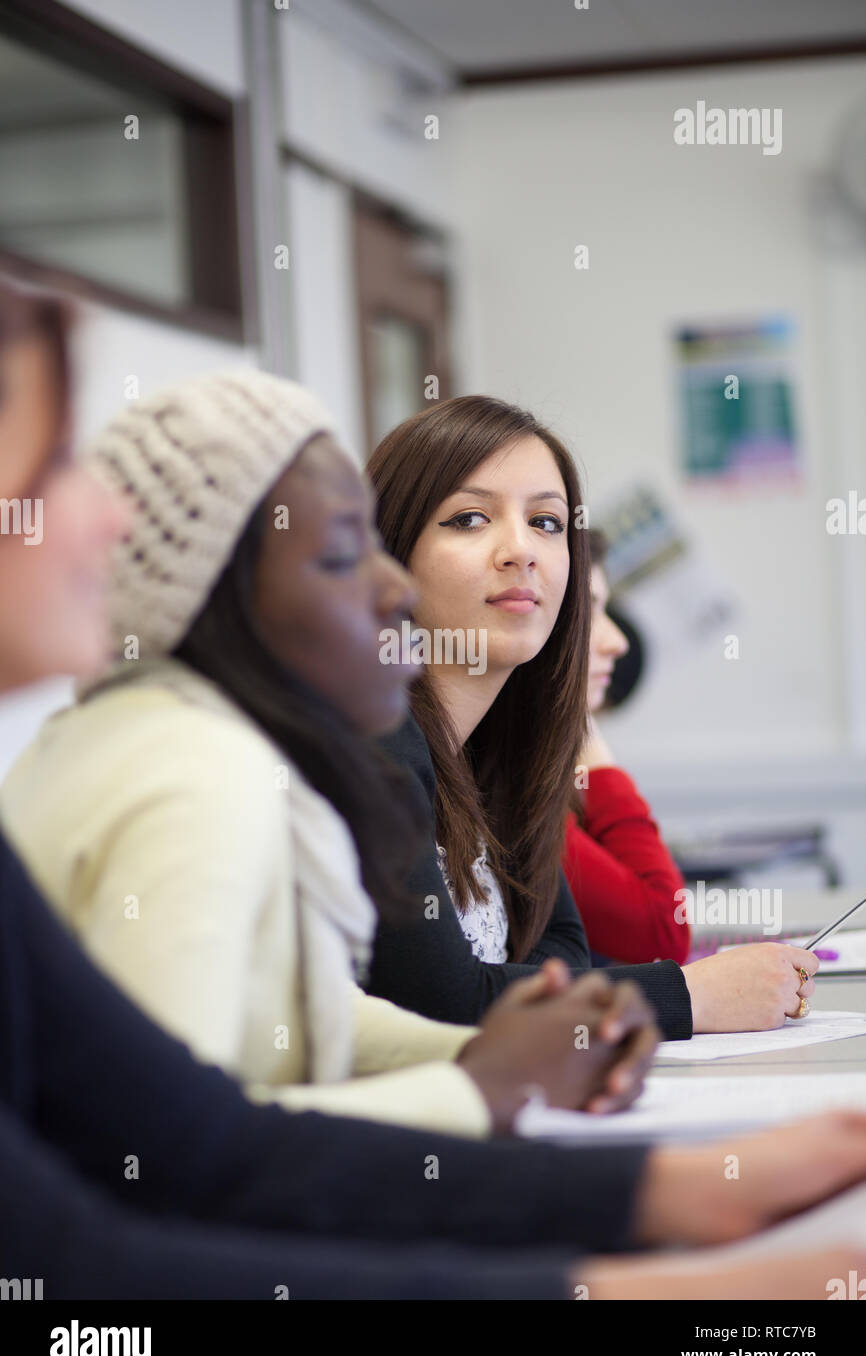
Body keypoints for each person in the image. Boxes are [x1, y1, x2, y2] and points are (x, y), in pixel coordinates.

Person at [1, 277, 864, 1301]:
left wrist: (642, 1179)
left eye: (549, 524)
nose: (391, 590)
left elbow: (272, 1071)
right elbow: (170, 1179)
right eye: (54, 466)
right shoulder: (209, 765)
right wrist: (626, 1235)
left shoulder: (435, 752)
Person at [1, 363, 661, 1134]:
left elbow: (321, 1018)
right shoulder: (194, 770)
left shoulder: (183, 742)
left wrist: (502, 1058)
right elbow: (158, 1143)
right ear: (229, 598)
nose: (395, 590)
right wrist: (483, 1088)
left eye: (547, 523)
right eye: (346, 554)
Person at [366, 396, 817, 1035]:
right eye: (469, 518)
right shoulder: (377, 740)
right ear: (390, 559)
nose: (520, 550)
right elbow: (439, 1002)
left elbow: (562, 952)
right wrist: (692, 997)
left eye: (547, 523)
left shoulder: (502, 749)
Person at [562, 529, 690, 965]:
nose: (617, 641)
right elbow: (663, 933)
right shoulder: (498, 790)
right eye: (591, 609)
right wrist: (588, 740)